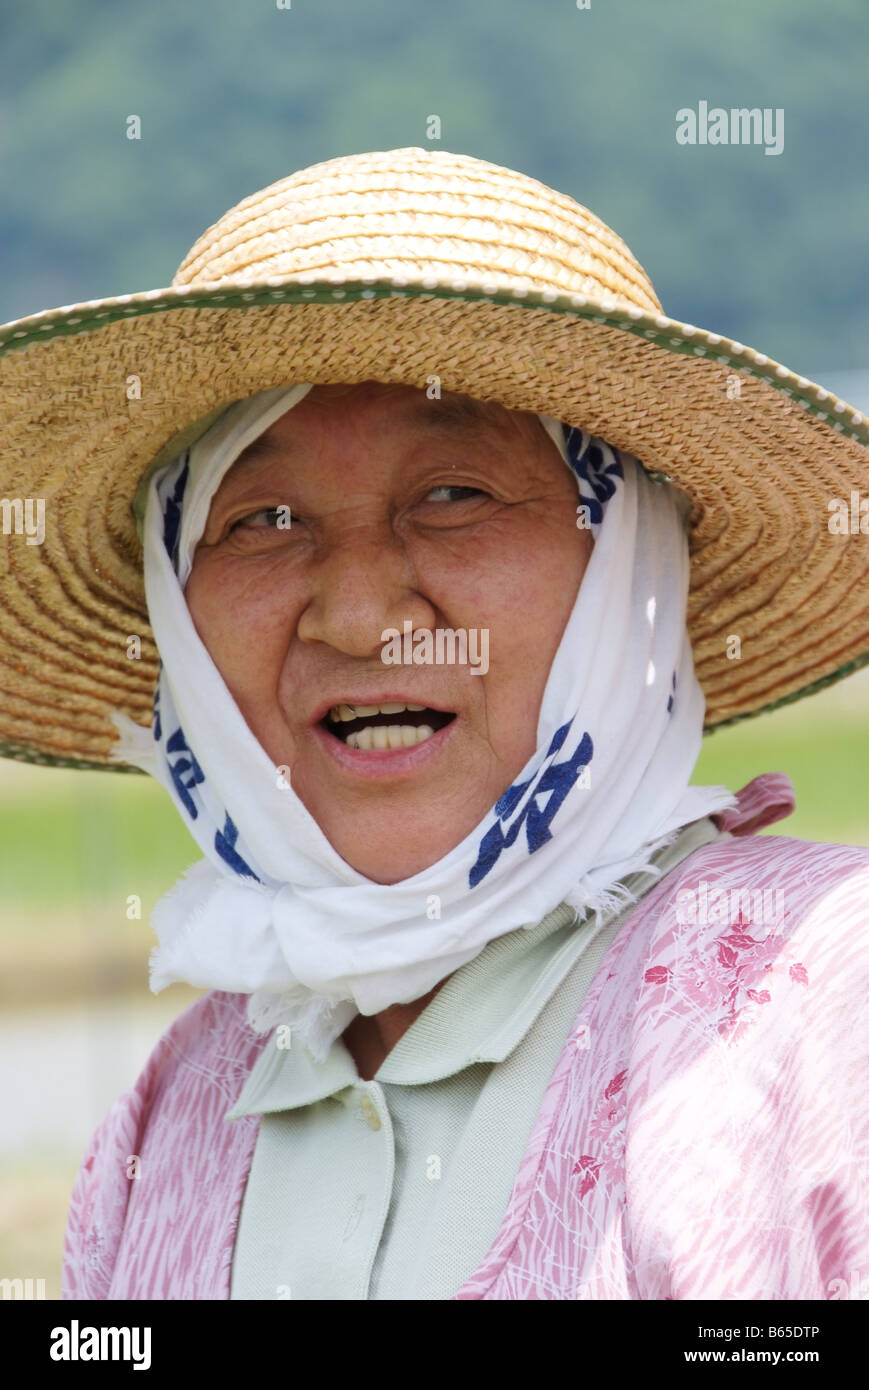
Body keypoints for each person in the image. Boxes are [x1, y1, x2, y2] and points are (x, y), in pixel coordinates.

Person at [1, 147, 868, 1301]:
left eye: (454, 494)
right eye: (259, 517)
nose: (359, 618)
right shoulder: (184, 1102)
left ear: (624, 566)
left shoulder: (821, 992)